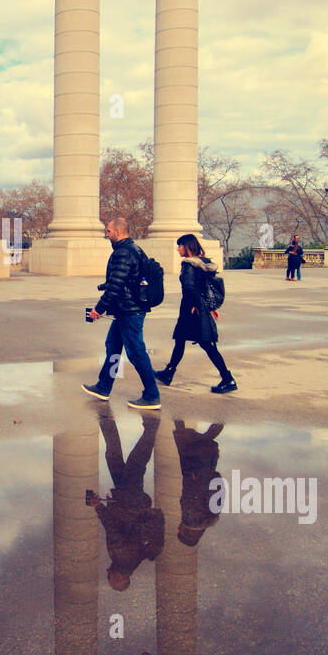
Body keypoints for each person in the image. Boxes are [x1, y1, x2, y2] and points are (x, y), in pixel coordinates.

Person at [82, 215, 161, 411]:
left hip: (130, 311)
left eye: (108, 231)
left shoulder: (123, 252)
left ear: (118, 232)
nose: (106, 234)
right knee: (113, 347)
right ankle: (103, 387)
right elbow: (125, 279)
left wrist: (98, 309)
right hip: (126, 310)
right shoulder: (132, 249)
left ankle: (152, 395)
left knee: (136, 353)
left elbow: (117, 285)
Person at [86, 413, 164, 589]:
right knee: (136, 463)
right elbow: (113, 529)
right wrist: (98, 507)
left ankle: (106, 419)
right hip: (130, 500)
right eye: (110, 578)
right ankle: (151, 426)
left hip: (126, 500)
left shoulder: (131, 561)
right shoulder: (123, 559)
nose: (107, 573)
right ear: (121, 578)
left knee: (113, 456)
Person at [153, 233, 237, 394]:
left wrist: (197, 306)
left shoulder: (189, 265)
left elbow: (190, 287)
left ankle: (228, 378)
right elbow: (206, 287)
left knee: (207, 344)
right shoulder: (204, 263)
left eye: (180, 246)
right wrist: (210, 307)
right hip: (198, 307)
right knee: (180, 339)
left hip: (192, 308)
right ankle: (168, 372)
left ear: (187, 247)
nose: (178, 249)